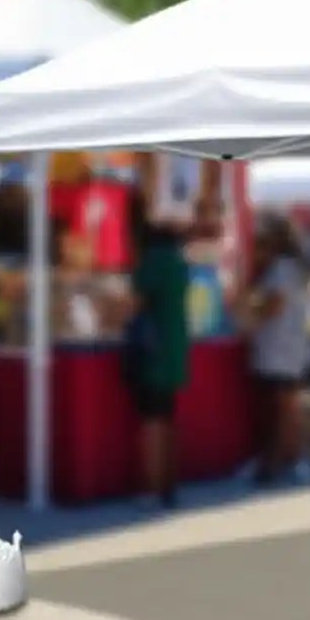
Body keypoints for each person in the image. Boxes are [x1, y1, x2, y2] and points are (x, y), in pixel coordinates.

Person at [126, 154, 192, 508]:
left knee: (152, 420)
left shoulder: (153, 261)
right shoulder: (180, 262)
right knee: (167, 418)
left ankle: (153, 489)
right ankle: (168, 485)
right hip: (174, 349)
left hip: (152, 351)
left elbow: (133, 304)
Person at [243, 216, 310, 485]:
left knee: (277, 409)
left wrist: (249, 315)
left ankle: (272, 464)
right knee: (288, 407)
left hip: (278, 348)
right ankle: (294, 460)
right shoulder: (295, 266)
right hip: (290, 346)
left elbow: (274, 305)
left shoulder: (282, 268)